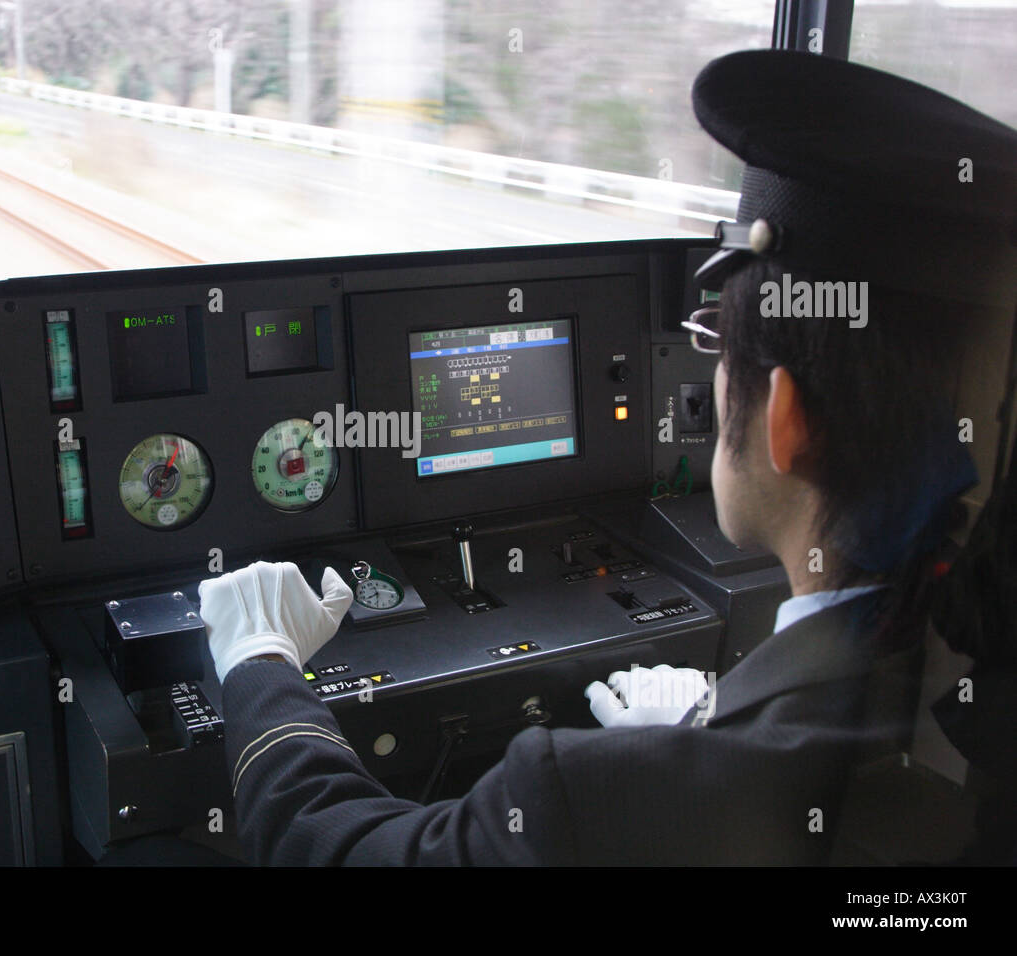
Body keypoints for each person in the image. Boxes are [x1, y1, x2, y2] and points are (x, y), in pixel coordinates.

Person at [197, 49, 1017, 865]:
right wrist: (719, 718)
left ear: (787, 418)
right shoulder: (971, 696)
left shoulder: (592, 801)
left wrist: (258, 659)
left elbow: (335, 850)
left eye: (716, 341)